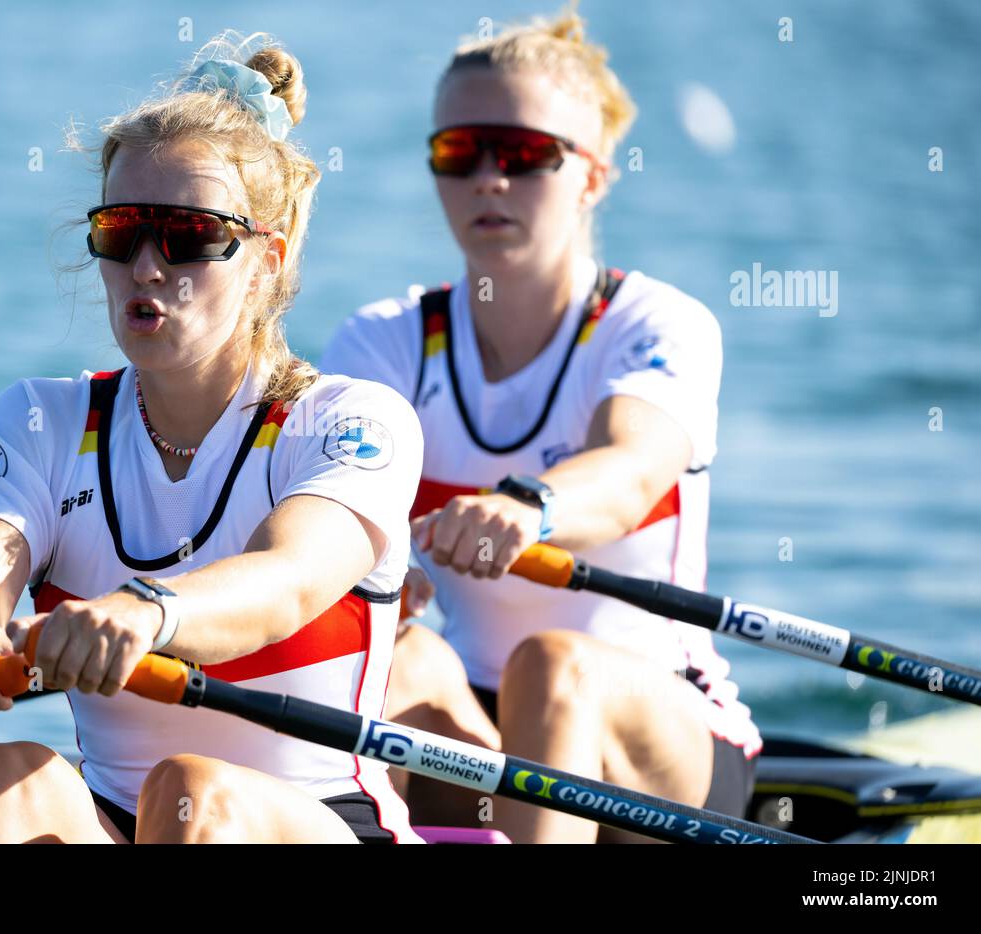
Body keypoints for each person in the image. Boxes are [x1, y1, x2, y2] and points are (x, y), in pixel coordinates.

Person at [0, 36, 424, 843]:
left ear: (264, 260)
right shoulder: (39, 421)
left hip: (323, 821)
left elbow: (286, 581)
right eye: (121, 231)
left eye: (187, 234)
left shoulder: (353, 423)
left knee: (192, 794)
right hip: (118, 819)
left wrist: (146, 612)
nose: (147, 266)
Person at [321, 9, 761, 843]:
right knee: (390, 663)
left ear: (591, 176)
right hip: (479, 721)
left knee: (553, 664)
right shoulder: (381, 340)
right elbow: (328, 515)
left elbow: (631, 473)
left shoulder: (658, 325)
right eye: (460, 154)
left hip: (668, 743)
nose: (489, 179)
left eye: (524, 155)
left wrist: (528, 507)